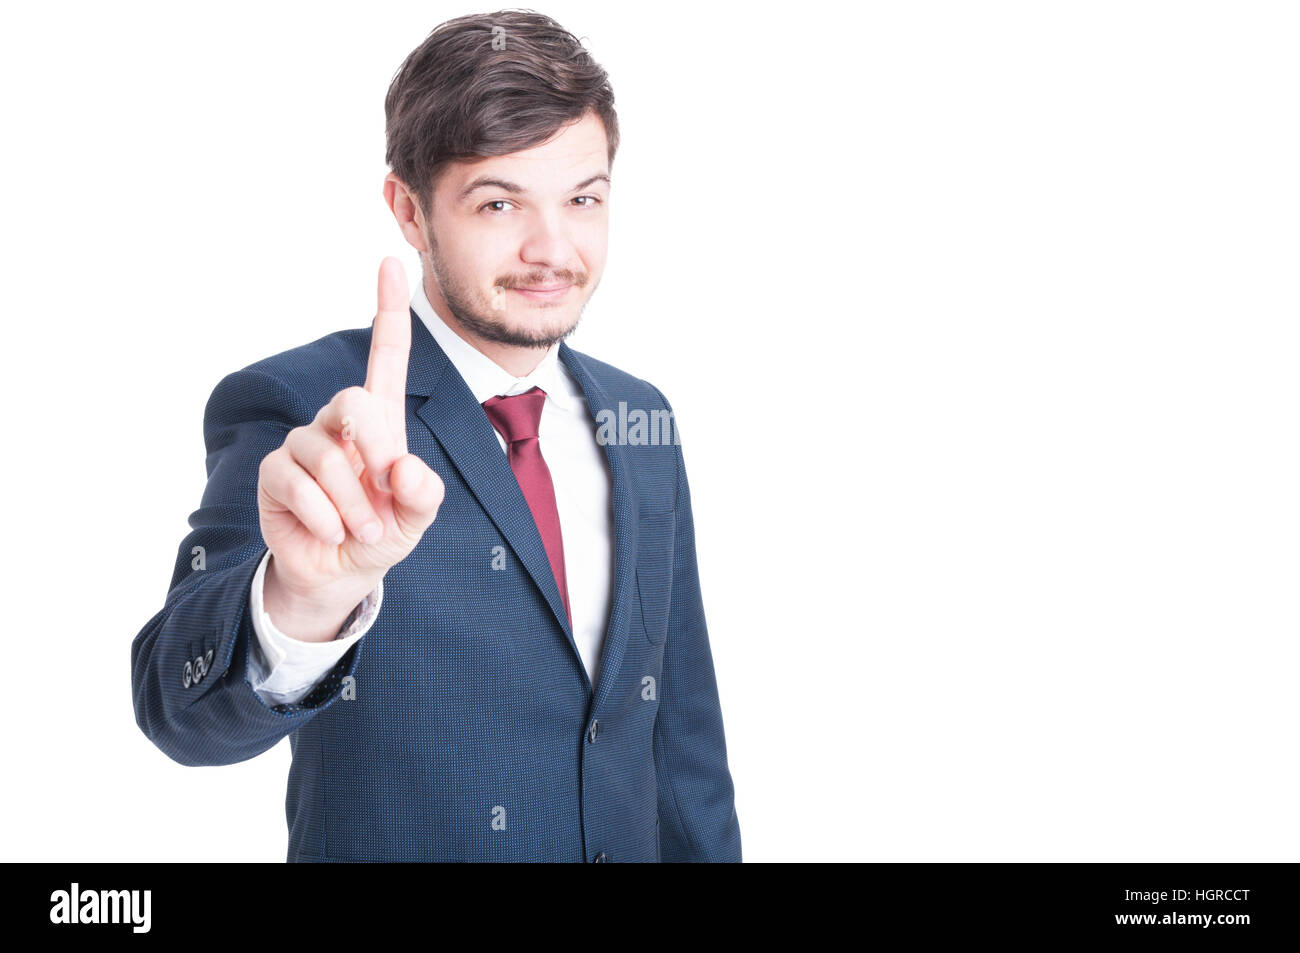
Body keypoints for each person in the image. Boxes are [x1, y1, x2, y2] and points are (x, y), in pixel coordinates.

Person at [130, 9, 741, 863]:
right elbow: (178, 710)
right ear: (409, 211)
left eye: (583, 199)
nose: (552, 248)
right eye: (499, 202)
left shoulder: (642, 420)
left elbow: (683, 748)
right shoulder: (308, 406)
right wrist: (303, 601)